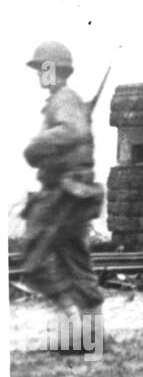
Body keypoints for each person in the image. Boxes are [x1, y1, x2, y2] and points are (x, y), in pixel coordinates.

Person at [19, 41, 107, 354]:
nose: (41, 73)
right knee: (75, 261)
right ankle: (91, 338)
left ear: (55, 70)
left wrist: (37, 145)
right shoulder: (64, 100)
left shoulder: (65, 99)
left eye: (44, 67)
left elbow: (74, 131)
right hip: (73, 192)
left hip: (64, 193)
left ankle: (79, 328)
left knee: (35, 258)